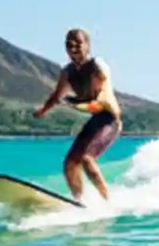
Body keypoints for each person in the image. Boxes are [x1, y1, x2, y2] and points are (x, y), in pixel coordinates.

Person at [33, 28, 123, 203]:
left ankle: (108, 202)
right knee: (70, 163)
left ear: (87, 46)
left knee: (87, 158)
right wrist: (43, 111)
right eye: (69, 44)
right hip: (96, 120)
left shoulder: (98, 65)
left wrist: (86, 103)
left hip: (110, 120)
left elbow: (104, 90)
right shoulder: (67, 72)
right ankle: (78, 202)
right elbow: (56, 96)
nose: (73, 48)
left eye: (78, 44)